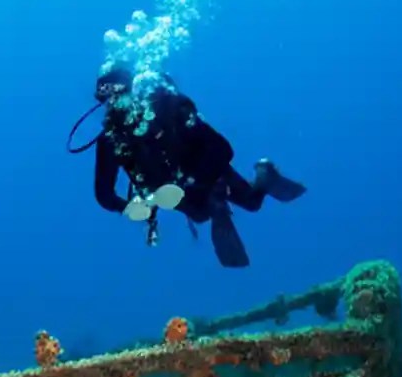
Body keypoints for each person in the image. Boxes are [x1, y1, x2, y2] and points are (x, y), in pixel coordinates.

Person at [69, 62, 306, 267]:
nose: (113, 103)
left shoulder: (166, 107)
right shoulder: (110, 141)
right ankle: (221, 201)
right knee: (206, 213)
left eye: (116, 92)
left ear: (131, 88)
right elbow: (104, 194)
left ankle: (253, 179)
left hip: (209, 172)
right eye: (105, 97)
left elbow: (222, 149)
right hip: (172, 191)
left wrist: (200, 180)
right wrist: (131, 208)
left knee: (248, 204)